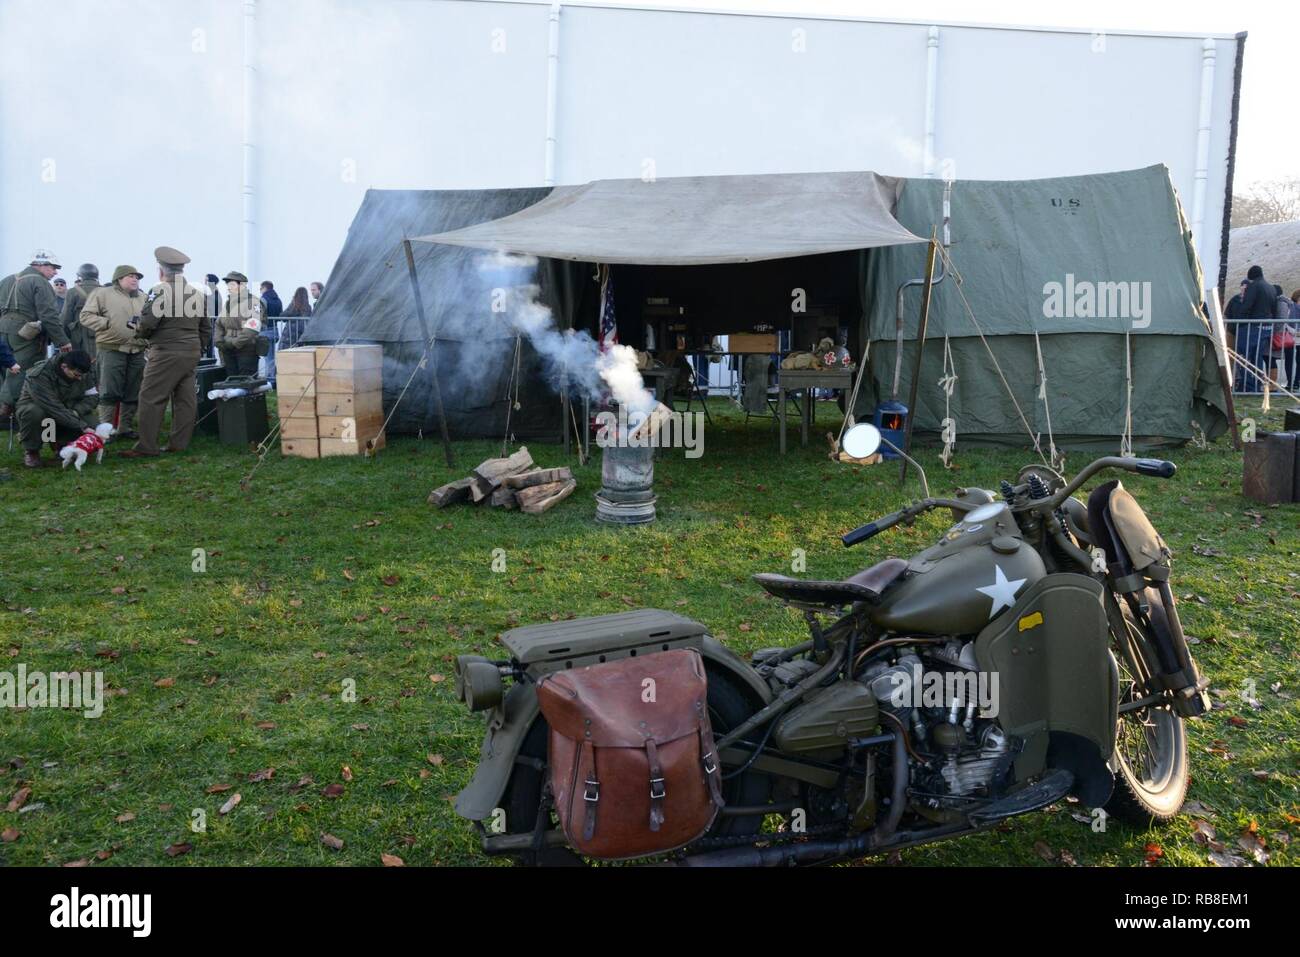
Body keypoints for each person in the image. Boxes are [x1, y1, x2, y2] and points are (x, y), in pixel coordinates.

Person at [120, 247, 211, 458]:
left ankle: (146, 446)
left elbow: (148, 323)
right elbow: (206, 327)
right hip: (191, 351)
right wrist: (197, 347)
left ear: (161, 271)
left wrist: (138, 331)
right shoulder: (197, 293)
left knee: (151, 397)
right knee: (185, 398)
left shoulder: (159, 291)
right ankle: (179, 443)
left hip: (166, 352)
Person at [0, 250, 71, 421]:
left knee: (6, 369)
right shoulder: (40, 282)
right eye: (53, 267)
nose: (55, 272)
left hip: (4, 329)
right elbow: (48, 315)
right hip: (26, 334)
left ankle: (5, 409)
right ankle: (11, 413)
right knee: (24, 371)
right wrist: (62, 341)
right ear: (40, 265)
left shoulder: (7, 279)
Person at [79, 265, 147, 437]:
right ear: (119, 278)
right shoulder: (102, 294)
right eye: (131, 276)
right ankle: (105, 431)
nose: (135, 280)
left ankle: (125, 428)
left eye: (137, 277)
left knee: (133, 391)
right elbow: (85, 316)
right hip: (111, 349)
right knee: (109, 391)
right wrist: (107, 323)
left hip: (137, 350)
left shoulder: (144, 297)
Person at [14, 349, 98, 469]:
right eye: (76, 375)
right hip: (41, 407)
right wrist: (82, 426)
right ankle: (32, 450)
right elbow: (53, 407)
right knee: (34, 413)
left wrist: (76, 411)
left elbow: (93, 396)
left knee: (94, 425)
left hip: (68, 408)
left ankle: (64, 444)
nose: (80, 379)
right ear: (64, 367)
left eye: (82, 376)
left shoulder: (83, 369)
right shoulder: (39, 375)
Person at [215, 271, 262, 377]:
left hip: (246, 347)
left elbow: (253, 326)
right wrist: (219, 340)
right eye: (228, 284)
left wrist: (236, 342)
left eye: (232, 284)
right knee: (230, 379)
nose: (228, 287)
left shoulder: (253, 302)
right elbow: (219, 323)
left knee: (245, 381)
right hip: (227, 347)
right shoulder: (228, 302)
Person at [61, 263, 101, 359]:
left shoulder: (73, 292)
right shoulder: (105, 291)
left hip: (79, 335)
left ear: (80, 276)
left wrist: (65, 339)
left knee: (81, 364)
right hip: (100, 332)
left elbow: (66, 318)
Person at [259, 280, 282, 384]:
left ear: (264, 288)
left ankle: (271, 381)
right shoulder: (278, 300)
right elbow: (280, 314)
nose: (260, 290)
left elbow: (259, 315)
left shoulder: (263, 299)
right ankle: (273, 379)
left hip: (265, 331)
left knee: (269, 358)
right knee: (271, 357)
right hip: (274, 329)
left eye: (260, 288)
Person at [203, 273, 223, 361]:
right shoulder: (216, 291)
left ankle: (209, 357)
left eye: (206, 280)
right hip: (213, 319)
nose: (204, 281)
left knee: (208, 339)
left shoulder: (209, 292)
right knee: (210, 339)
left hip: (209, 319)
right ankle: (210, 356)